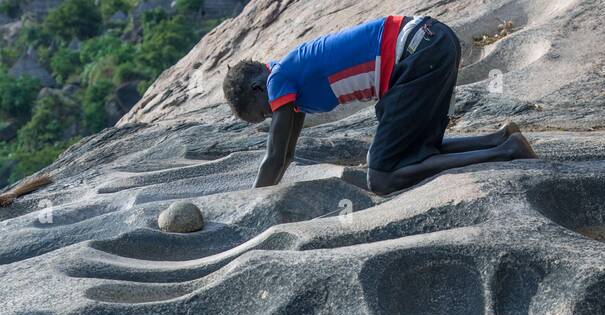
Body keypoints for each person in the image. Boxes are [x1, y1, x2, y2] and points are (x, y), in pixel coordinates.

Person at [223, 14, 536, 194]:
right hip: (430, 43)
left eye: (264, 111)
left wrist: (253, 205)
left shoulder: (279, 79)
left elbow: (274, 157)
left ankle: (507, 153)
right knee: (412, 154)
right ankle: (499, 138)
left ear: (258, 86)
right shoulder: (292, 81)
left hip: (415, 55)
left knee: (382, 176)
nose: (271, 116)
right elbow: (287, 153)